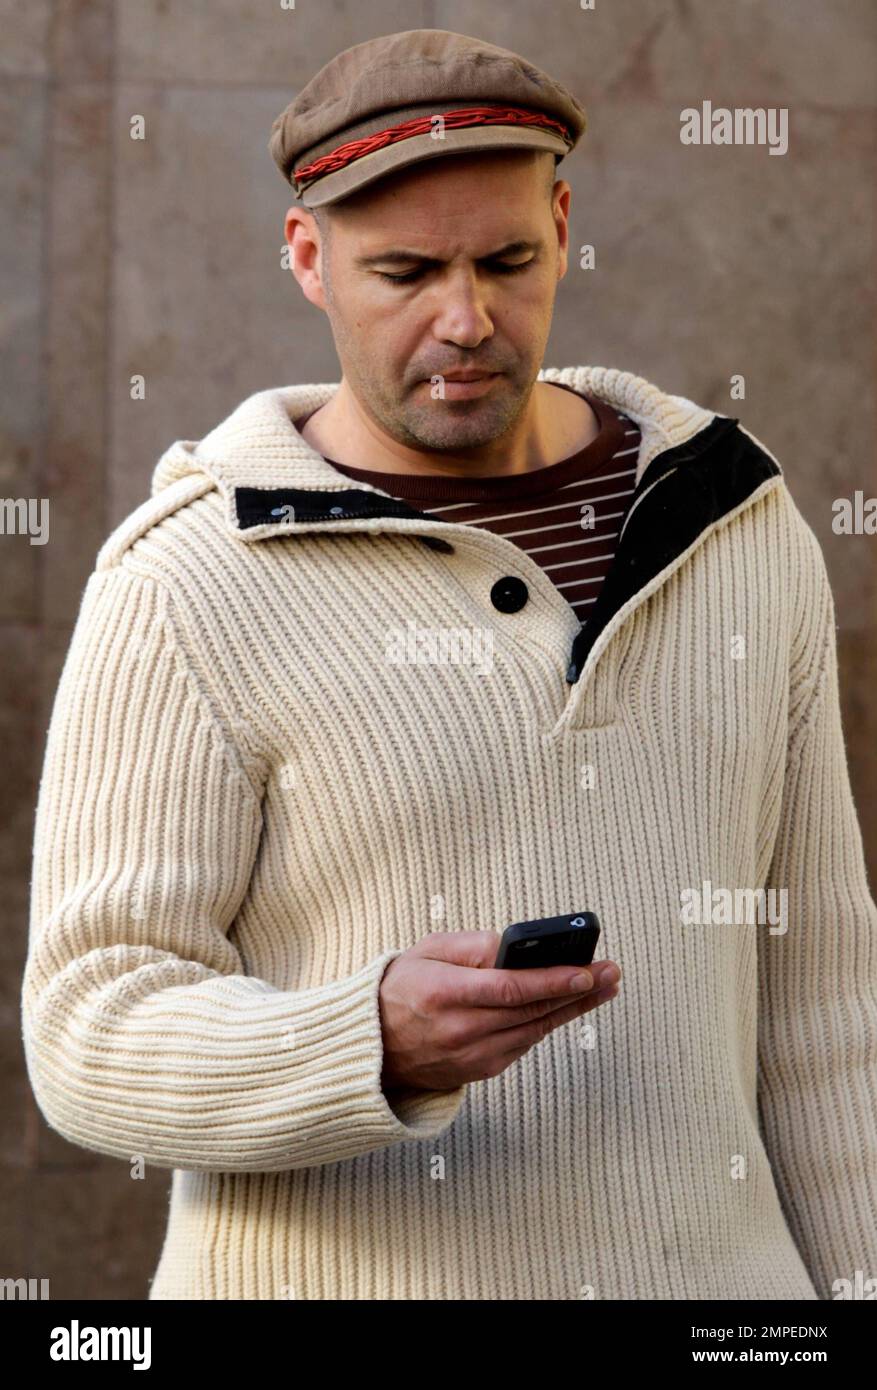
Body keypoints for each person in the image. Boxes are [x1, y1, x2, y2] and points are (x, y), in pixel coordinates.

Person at [22, 28, 877, 1301]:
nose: (465, 319)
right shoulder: (183, 580)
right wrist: (367, 1039)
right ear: (308, 259)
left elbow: (825, 1011)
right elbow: (88, 1026)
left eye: (508, 260)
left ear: (565, 222)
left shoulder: (737, 524)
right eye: (405, 271)